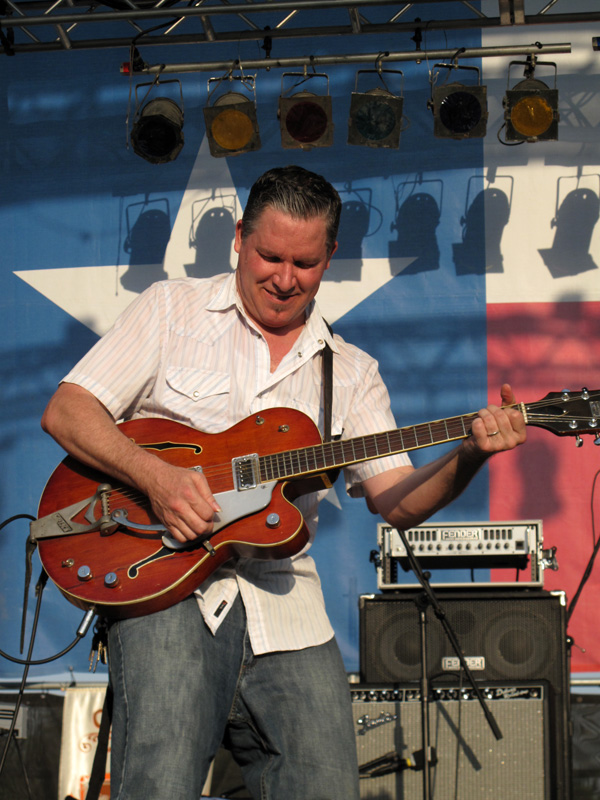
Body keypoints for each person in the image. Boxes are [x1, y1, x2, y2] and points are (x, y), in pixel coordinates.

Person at [41, 165, 526, 800]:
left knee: (325, 786)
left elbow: (398, 502)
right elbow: (68, 411)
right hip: (165, 588)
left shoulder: (350, 372)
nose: (284, 278)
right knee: (160, 783)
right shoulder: (170, 309)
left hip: (286, 606)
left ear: (330, 256)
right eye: (270, 256)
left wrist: (469, 454)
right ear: (238, 238)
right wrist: (157, 478)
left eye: (305, 263)